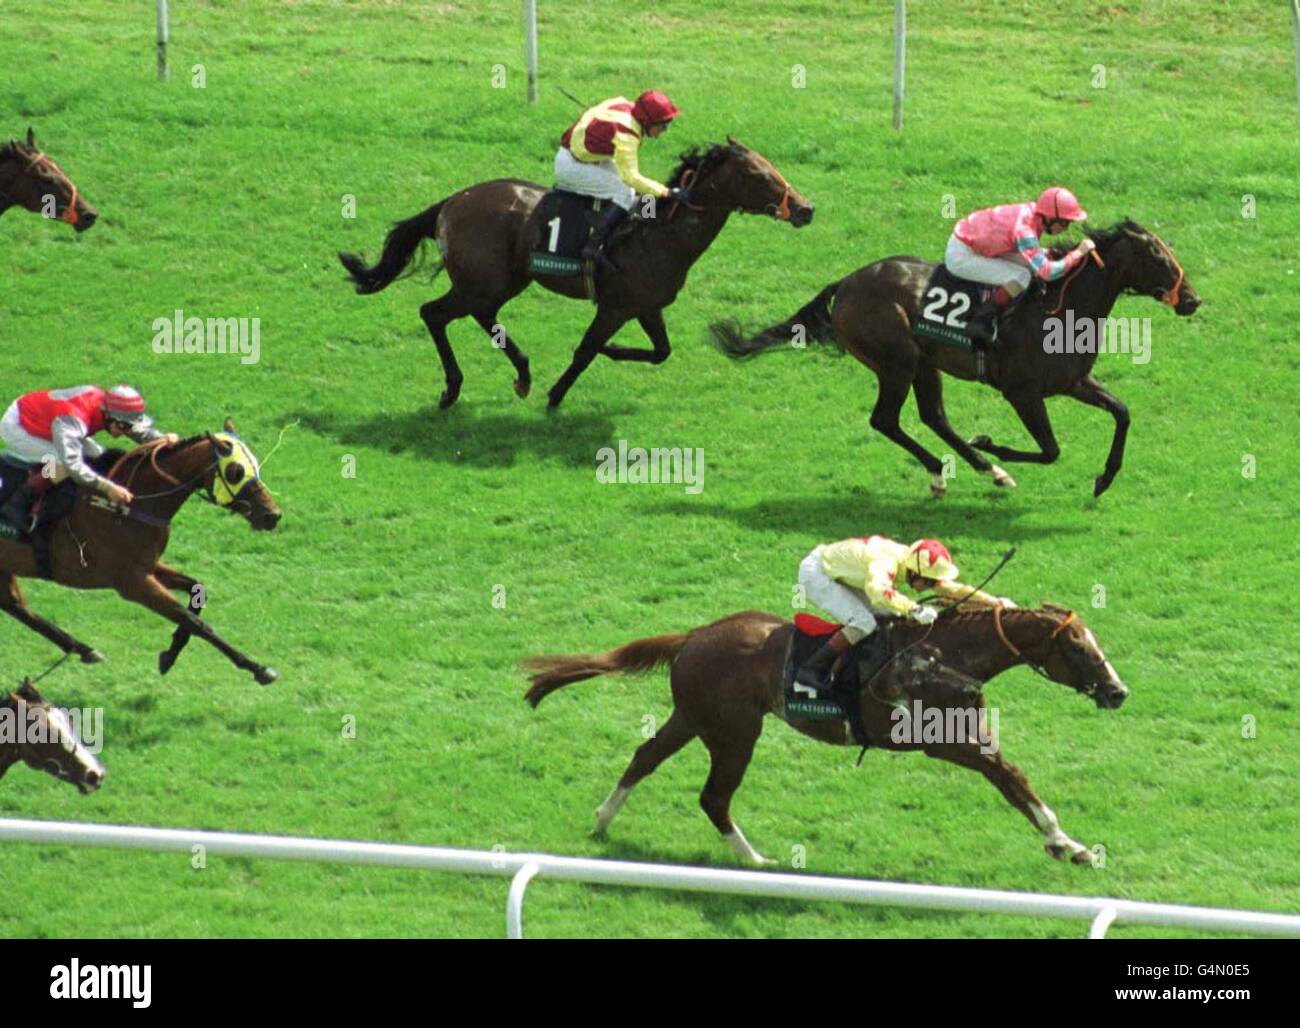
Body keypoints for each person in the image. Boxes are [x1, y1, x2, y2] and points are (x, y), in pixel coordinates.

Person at [794, 535, 1014, 692]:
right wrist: (914, 608)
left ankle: (860, 667)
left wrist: (994, 602)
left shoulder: (909, 561)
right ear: (914, 572)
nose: (930, 586)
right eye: (927, 582)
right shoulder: (885, 561)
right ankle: (810, 670)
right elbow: (879, 592)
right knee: (863, 622)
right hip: (818, 574)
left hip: (845, 573)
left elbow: (951, 589)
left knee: (890, 616)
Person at [946, 186, 1097, 381]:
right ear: (1049, 218)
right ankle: (981, 320)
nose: (1066, 228)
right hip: (963, 254)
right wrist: (1078, 254)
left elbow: (1035, 256)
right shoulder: (1025, 229)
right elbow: (1047, 272)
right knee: (1022, 277)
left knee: (1028, 269)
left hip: (980, 244)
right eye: (1064, 223)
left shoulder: (1034, 214)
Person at [0, 384, 176, 531]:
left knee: (96, 454)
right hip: (19, 425)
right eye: (123, 426)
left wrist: (161, 438)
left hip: (48, 419)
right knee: (62, 463)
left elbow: (132, 426)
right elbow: (73, 465)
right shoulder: (74, 419)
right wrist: (108, 488)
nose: (126, 432)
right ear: (107, 416)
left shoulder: (108, 409)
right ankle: (18, 502)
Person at [555, 90, 689, 267]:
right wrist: (667, 192)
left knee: (634, 191)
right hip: (572, 167)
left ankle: (647, 222)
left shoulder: (624, 104)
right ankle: (594, 245)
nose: (663, 131)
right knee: (625, 191)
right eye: (662, 126)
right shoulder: (626, 136)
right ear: (648, 121)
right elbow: (631, 177)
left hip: (587, 157)